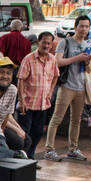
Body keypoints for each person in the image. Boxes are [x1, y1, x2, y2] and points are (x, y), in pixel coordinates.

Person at [45, 15, 91, 161]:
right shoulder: (66, 43)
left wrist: (88, 61)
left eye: (86, 26)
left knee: (76, 120)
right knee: (57, 118)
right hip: (67, 85)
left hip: (81, 87)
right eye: (81, 26)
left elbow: (89, 70)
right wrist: (77, 58)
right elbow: (57, 61)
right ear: (75, 27)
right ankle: (49, 149)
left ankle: (73, 148)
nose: (84, 29)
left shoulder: (88, 44)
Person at [16, 31, 58, 159]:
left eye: (49, 43)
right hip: (28, 103)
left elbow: (56, 76)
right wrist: (21, 101)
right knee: (24, 132)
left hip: (43, 104)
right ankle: (22, 157)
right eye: (44, 42)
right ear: (38, 42)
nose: (46, 45)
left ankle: (31, 155)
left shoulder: (52, 59)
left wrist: (50, 92)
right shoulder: (28, 59)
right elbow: (21, 79)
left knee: (38, 131)